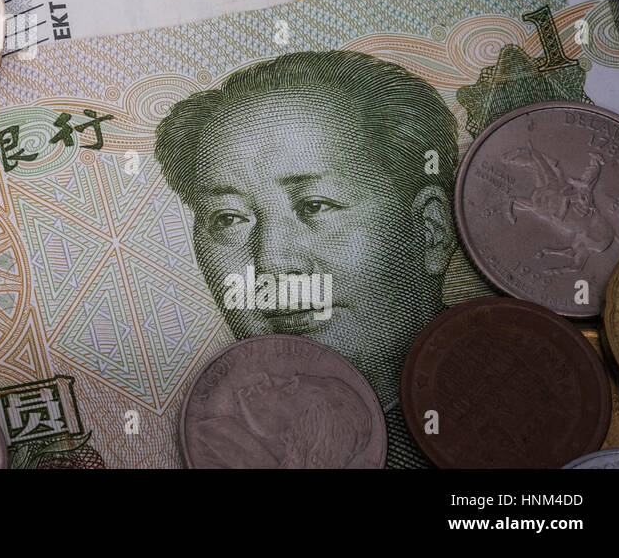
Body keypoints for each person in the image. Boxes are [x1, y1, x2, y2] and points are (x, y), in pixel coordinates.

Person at [155, 49, 460, 466]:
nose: (272, 263)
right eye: (229, 218)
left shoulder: (521, 397)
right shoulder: (226, 444)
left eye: (314, 206)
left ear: (431, 231)